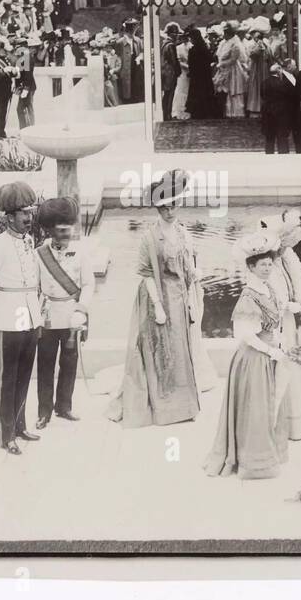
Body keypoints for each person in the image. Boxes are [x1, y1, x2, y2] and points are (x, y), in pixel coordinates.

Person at [109, 170, 202, 428]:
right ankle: (162, 405)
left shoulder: (185, 234)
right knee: (160, 351)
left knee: (180, 349)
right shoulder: (149, 238)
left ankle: (183, 405)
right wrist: (158, 306)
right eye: (164, 208)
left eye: (173, 206)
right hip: (158, 297)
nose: (170, 212)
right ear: (158, 209)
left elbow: (188, 269)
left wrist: (193, 288)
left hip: (180, 298)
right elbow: (147, 273)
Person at [202, 231, 295, 480]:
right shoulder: (248, 297)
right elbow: (245, 335)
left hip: (269, 354)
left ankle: (268, 453)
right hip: (254, 358)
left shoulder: (267, 289)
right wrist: (271, 350)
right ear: (251, 267)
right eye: (261, 265)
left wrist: (279, 341)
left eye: (269, 264)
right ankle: (253, 461)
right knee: (256, 409)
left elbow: (273, 322)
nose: (266, 268)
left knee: (270, 406)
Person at [0, 181, 43, 455]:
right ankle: (6, 436)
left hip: (29, 315)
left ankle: (19, 425)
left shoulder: (28, 241)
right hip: (7, 316)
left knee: (25, 374)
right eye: (22, 213)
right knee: (7, 379)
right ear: (9, 217)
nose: (28, 218)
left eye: (30, 211)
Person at [34, 197, 93, 429]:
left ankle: (64, 406)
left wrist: (81, 310)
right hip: (48, 317)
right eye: (61, 229)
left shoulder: (81, 252)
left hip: (72, 318)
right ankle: (44, 411)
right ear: (50, 230)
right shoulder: (39, 254)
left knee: (69, 364)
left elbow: (88, 284)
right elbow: (34, 287)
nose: (67, 233)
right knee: (45, 365)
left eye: (69, 228)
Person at [259, 211, 301, 440]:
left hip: (291, 322)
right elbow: (265, 293)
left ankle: (297, 423)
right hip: (274, 324)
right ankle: (276, 424)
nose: (288, 247)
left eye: (293, 244)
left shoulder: (288, 258)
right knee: (281, 369)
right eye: (287, 242)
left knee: (295, 367)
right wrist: (286, 306)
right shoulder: (265, 259)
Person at [261, 60, 298, 154]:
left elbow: (262, 96)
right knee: (282, 138)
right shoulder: (284, 83)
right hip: (282, 113)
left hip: (268, 113)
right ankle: (283, 156)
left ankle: (269, 155)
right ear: (278, 71)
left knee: (269, 138)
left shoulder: (264, 83)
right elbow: (291, 96)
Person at [215, 22, 249, 118]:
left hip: (233, 69)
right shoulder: (223, 43)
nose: (224, 35)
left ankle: (237, 113)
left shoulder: (235, 44)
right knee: (227, 92)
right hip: (224, 69)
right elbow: (219, 55)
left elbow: (233, 59)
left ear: (230, 34)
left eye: (226, 33)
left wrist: (222, 64)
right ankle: (228, 113)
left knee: (234, 91)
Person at [185, 26, 217, 119]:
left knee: (197, 93)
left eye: (191, 38)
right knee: (205, 92)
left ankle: (197, 112)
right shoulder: (204, 47)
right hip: (205, 75)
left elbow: (191, 64)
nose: (190, 40)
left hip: (196, 76)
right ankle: (206, 112)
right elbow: (210, 59)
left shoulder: (193, 50)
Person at [161, 23, 182, 121]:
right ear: (173, 33)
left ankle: (165, 114)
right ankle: (167, 115)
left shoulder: (164, 43)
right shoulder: (171, 45)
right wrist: (178, 71)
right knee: (170, 93)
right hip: (170, 72)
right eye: (176, 33)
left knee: (166, 93)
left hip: (165, 70)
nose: (177, 36)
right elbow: (174, 61)